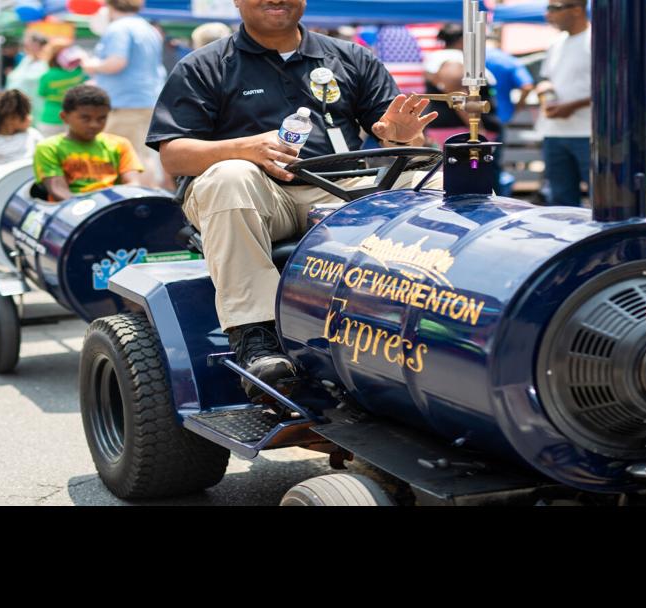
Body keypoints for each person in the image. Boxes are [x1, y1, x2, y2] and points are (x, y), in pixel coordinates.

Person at [145, 0, 444, 399]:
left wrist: (403, 134)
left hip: (346, 193)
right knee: (230, 176)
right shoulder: (206, 65)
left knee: (440, 176)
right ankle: (257, 338)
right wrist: (245, 148)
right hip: (264, 198)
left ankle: (456, 315)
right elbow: (173, 154)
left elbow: (391, 131)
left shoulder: (349, 56)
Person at [82, 0, 169, 189]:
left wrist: (90, 64)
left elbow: (116, 62)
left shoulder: (118, 28)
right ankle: (149, 202)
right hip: (146, 101)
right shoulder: (148, 28)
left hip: (125, 103)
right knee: (143, 156)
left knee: (125, 159)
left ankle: (136, 204)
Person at [34, 84, 147, 199]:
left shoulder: (120, 144)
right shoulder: (49, 148)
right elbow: (58, 190)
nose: (94, 125)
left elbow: (132, 184)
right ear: (64, 117)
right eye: (85, 118)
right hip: (72, 211)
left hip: (112, 206)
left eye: (101, 118)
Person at [534, 1, 591, 207]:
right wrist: (544, 89)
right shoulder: (555, 43)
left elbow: (613, 87)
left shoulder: (598, 40)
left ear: (577, 9)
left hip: (589, 134)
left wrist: (573, 106)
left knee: (601, 200)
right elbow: (547, 77)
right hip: (554, 133)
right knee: (560, 202)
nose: (548, 14)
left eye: (554, 8)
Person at [35, 41, 87, 139]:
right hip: (74, 118)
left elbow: (42, 93)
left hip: (50, 118)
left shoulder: (47, 75)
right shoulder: (78, 73)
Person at [5, 32, 49, 106]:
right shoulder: (26, 59)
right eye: (25, 45)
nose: (26, 47)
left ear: (40, 45)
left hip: (36, 106)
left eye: (29, 44)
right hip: (18, 104)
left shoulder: (47, 62)